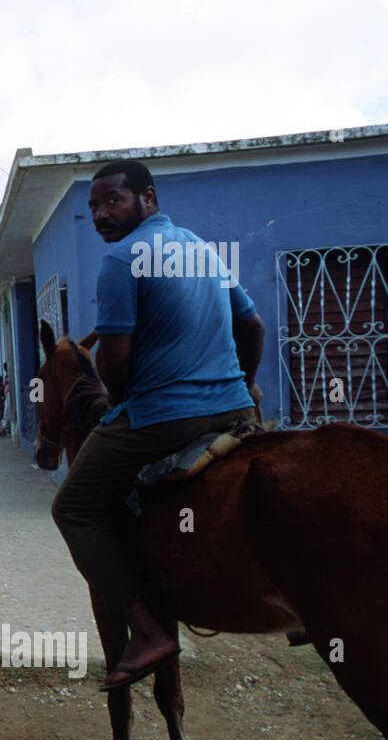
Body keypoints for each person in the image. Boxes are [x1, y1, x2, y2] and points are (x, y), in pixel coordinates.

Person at [50, 159, 264, 691]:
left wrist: (121, 404)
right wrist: (249, 384)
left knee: (72, 507)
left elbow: (114, 365)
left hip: (166, 416)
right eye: (94, 206)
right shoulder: (200, 248)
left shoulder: (121, 260)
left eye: (112, 201)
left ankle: (147, 632)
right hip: (237, 408)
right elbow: (252, 324)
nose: (100, 214)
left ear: (147, 198)